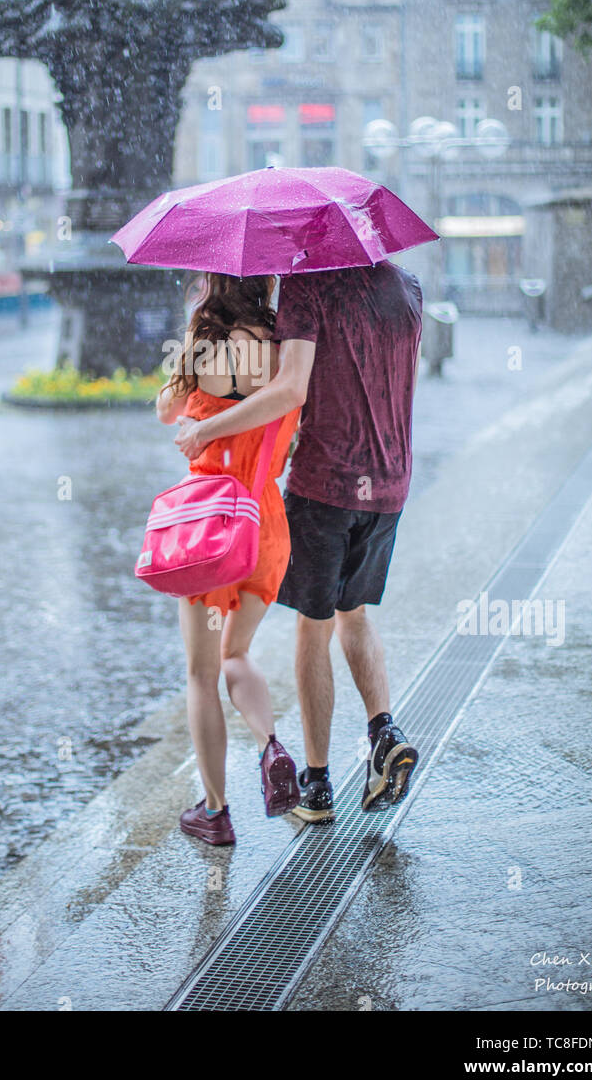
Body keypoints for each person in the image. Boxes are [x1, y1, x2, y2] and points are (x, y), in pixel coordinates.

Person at [175, 260, 423, 823]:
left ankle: (315, 784)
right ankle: (384, 732)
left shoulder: (311, 288)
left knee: (313, 630)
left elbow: (292, 388)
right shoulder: (407, 287)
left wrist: (207, 429)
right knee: (353, 615)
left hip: (326, 485)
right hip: (389, 483)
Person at [156, 272, 303, 846]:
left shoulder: (204, 342)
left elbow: (168, 413)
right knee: (236, 652)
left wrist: (188, 355)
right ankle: (271, 745)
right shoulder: (285, 349)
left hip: (210, 528)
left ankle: (215, 811)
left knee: (201, 673)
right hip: (264, 524)